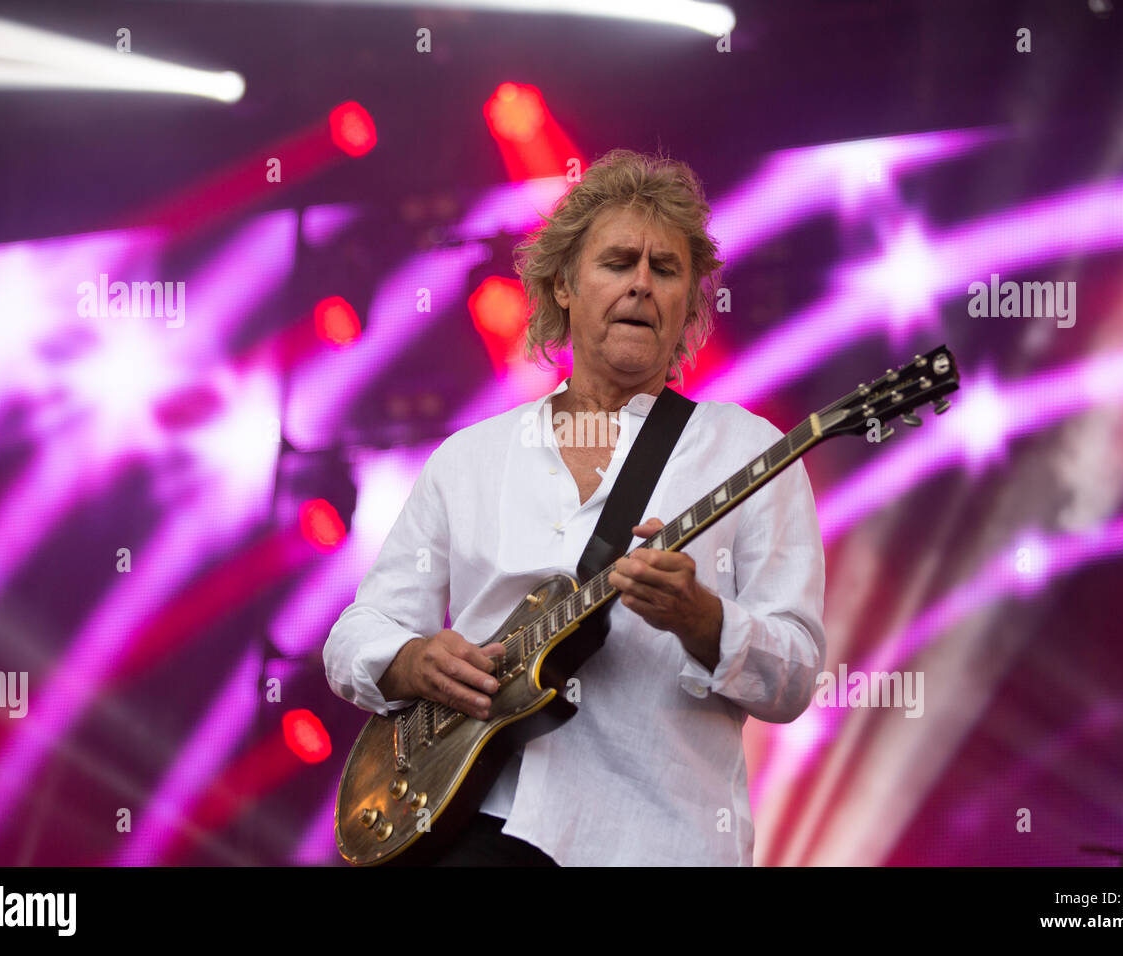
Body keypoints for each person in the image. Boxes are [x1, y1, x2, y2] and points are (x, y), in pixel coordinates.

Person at [323, 148, 826, 866]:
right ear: (563, 283)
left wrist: (703, 620)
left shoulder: (751, 452)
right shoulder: (470, 458)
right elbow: (356, 632)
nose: (642, 287)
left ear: (688, 301)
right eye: (619, 263)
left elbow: (797, 673)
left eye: (667, 270)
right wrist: (409, 660)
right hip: (473, 822)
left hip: (656, 838)